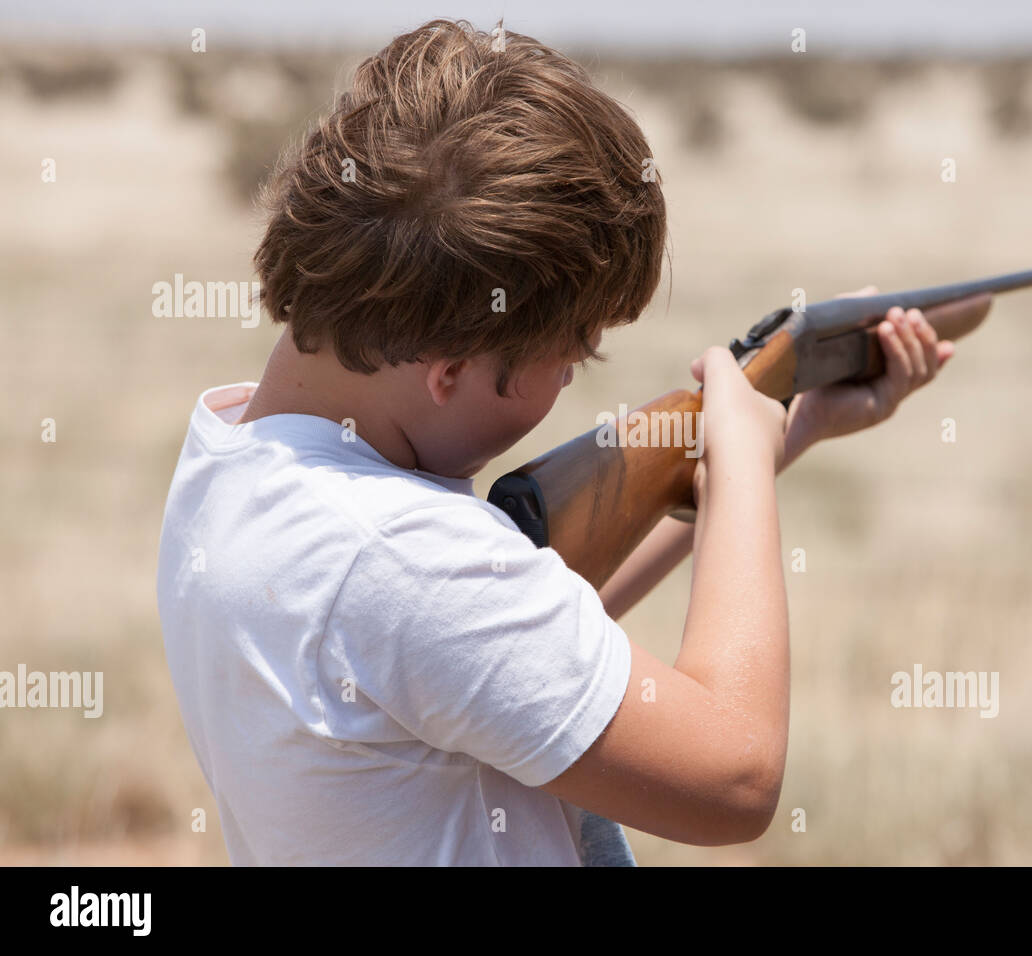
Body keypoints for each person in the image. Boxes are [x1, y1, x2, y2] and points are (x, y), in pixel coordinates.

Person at [156, 17, 953, 866]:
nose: (573, 380)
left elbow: (509, 654)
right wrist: (744, 471)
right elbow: (737, 777)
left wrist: (789, 431)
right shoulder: (399, 557)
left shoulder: (236, 456)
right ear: (452, 369)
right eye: (571, 357)